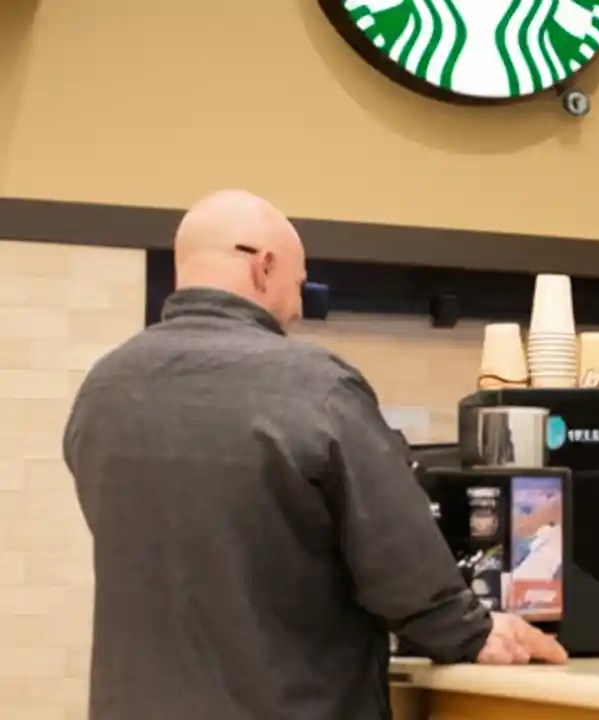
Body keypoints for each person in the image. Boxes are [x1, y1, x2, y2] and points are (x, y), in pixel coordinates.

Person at [62, 190, 567, 720]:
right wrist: (474, 632)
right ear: (265, 266)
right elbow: (398, 559)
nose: (299, 308)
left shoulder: (104, 388)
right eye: (299, 286)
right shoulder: (314, 387)